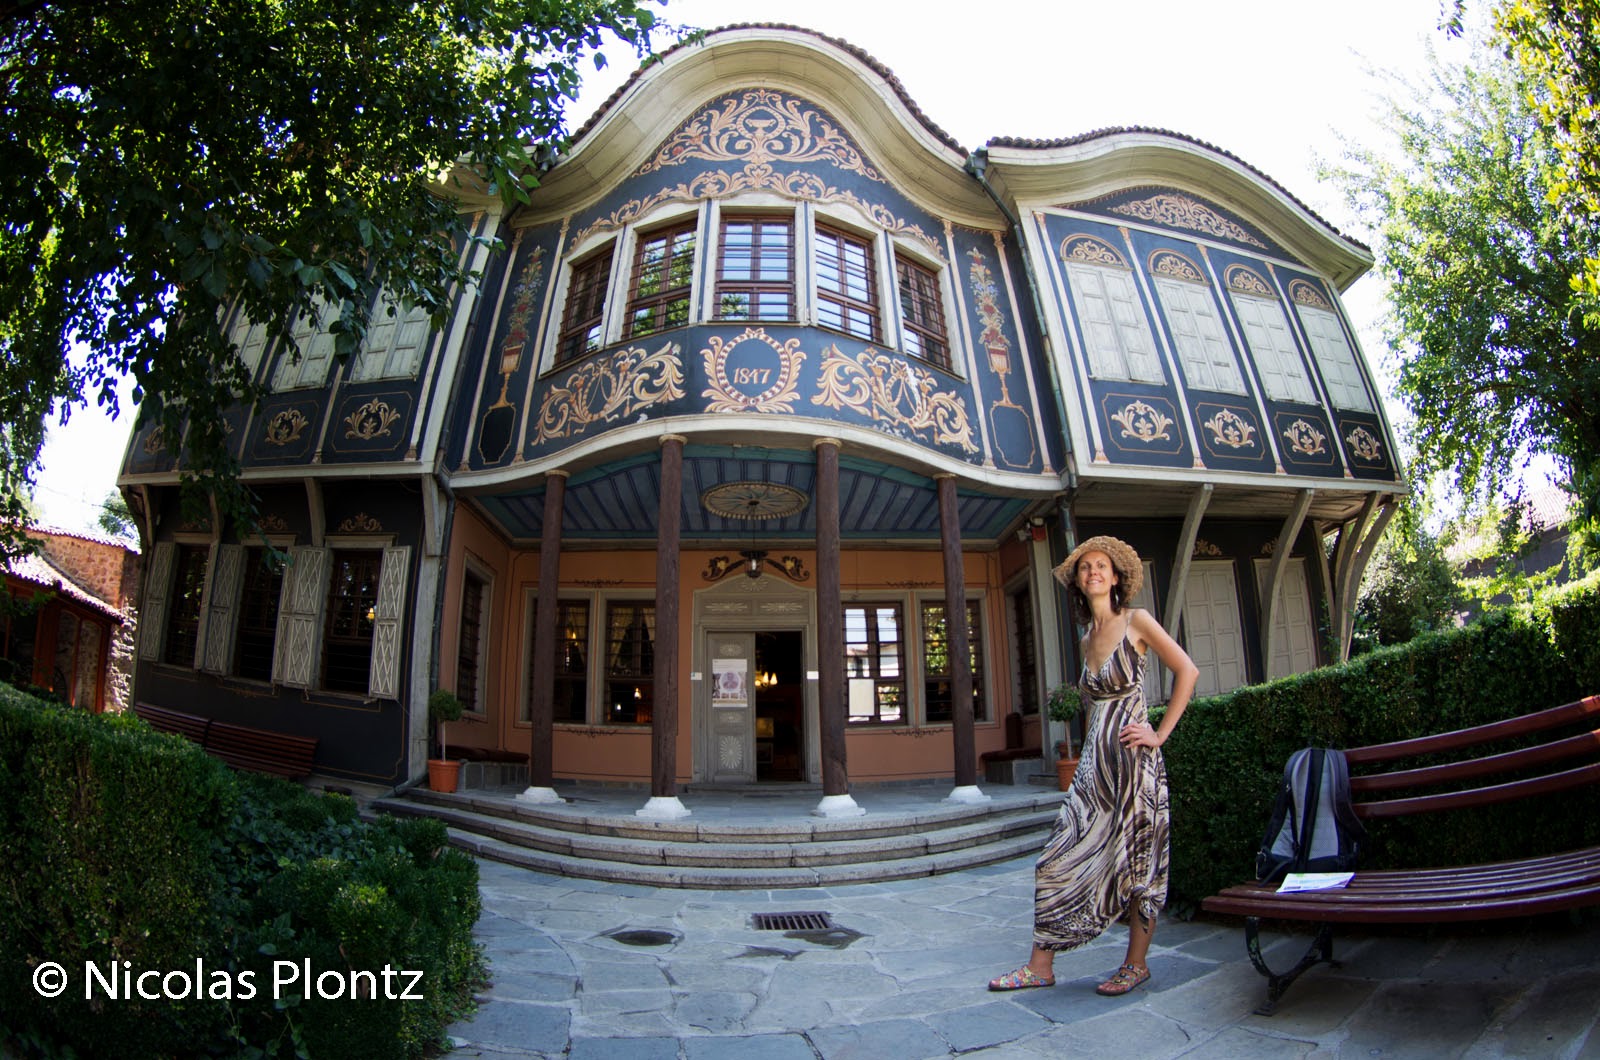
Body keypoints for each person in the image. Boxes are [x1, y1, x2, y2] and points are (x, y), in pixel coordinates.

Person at [988, 535, 1199, 996]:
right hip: (1094, 769)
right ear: (1079, 583)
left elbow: (1188, 670)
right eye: (1085, 568)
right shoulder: (1086, 640)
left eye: (1101, 566)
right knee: (1055, 857)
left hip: (1134, 765)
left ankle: (1135, 964)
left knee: (1139, 862)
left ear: (1116, 577)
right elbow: (1095, 708)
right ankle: (1040, 966)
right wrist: (1086, 754)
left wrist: (1159, 733)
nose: (1093, 573)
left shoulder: (1137, 620)